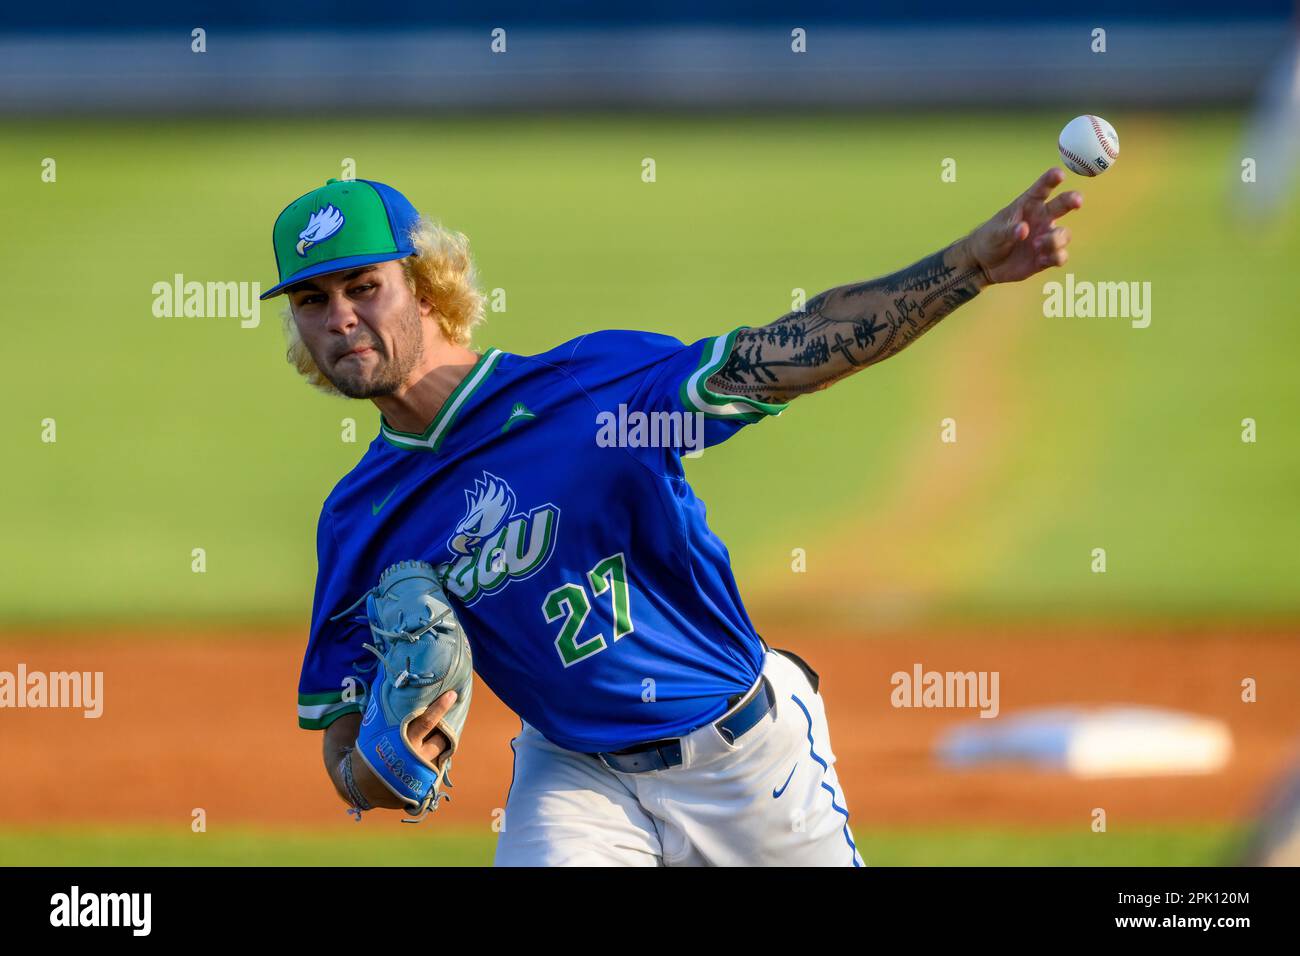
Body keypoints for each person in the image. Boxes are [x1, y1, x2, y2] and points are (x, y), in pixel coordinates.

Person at [265, 170, 1081, 866]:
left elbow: (790, 351)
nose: (339, 316)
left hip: (745, 756)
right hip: (575, 776)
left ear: (429, 285)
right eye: (312, 299)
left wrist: (965, 267)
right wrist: (380, 761)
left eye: (364, 286)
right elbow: (343, 744)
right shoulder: (359, 518)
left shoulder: (590, 391)